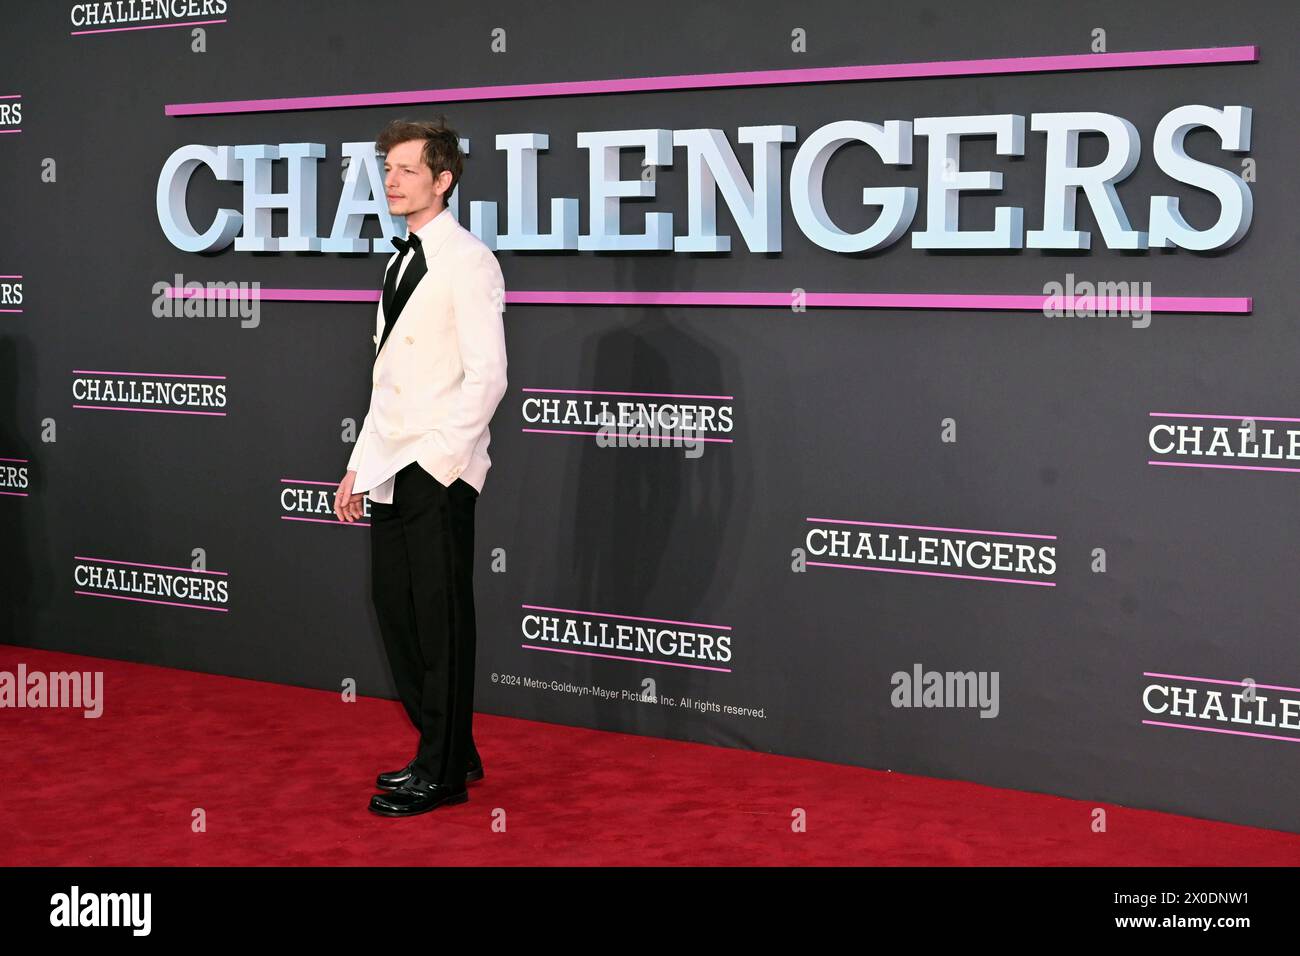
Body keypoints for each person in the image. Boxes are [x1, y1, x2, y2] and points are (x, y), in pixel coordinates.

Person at [333, 117, 508, 817]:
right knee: (395, 612)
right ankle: (451, 746)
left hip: (437, 468)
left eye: (408, 169)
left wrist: (439, 462)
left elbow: (487, 377)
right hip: (389, 464)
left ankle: (442, 775)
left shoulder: (468, 260)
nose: (393, 180)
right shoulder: (399, 259)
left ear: (444, 179)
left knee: (440, 623)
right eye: (389, 168)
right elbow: (387, 377)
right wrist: (358, 467)